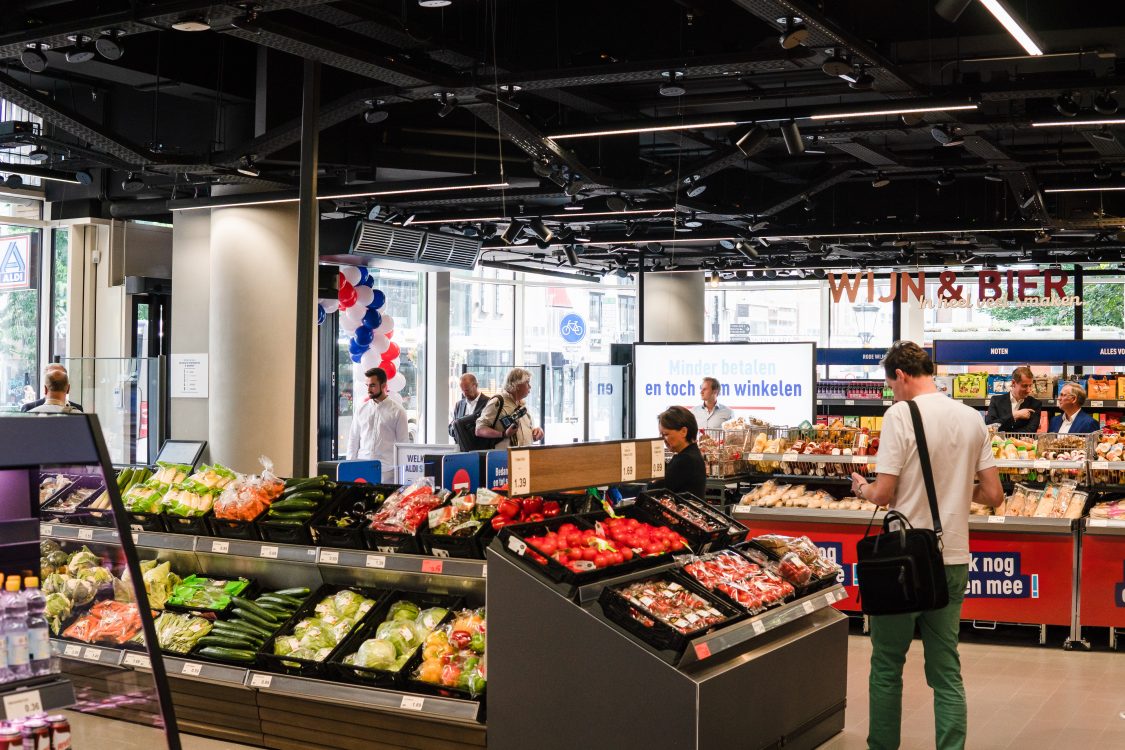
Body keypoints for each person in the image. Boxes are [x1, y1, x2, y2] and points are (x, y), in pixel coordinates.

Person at [849, 341, 1004, 750]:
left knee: (887, 665)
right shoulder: (972, 418)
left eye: (891, 385)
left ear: (901, 375)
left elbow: (884, 493)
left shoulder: (900, 414)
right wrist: (957, 488)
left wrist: (862, 487)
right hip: (952, 558)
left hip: (903, 560)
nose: (892, 393)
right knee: (946, 669)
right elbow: (993, 495)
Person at [347, 367, 409, 482]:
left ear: (383, 385)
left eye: (372, 385)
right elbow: (353, 439)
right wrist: (349, 467)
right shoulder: (361, 409)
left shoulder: (398, 411)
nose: (368, 389)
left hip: (387, 472)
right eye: (367, 385)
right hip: (362, 468)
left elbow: (403, 445)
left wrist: (403, 476)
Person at [475, 367, 543, 449]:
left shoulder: (522, 405)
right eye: (527, 383)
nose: (530, 386)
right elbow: (479, 430)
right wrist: (503, 434)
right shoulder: (498, 402)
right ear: (517, 385)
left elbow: (525, 433)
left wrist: (536, 433)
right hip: (504, 455)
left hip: (524, 455)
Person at [650, 406, 706, 500]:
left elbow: (654, 491)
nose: (662, 439)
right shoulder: (693, 454)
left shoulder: (685, 460)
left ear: (684, 431)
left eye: (666, 434)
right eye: (661, 435)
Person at [985, 366, 1042, 432]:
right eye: (1025, 386)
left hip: (1016, 440)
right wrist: (1015, 415)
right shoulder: (996, 401)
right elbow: (990, 426)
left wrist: (1005, 430)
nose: (1029, 390)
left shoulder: (1035, 404)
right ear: (1013, 383)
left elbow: (1031, 430)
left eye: (1030, 385)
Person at [448, 373, 487, 438]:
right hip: (460, 443)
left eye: (467, 390)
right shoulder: (459, 405)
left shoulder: (488, 403)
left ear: (476, 386)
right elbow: (450, 428)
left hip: (480, 443)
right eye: (462, 391)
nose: (465, 394)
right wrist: (457, 429)